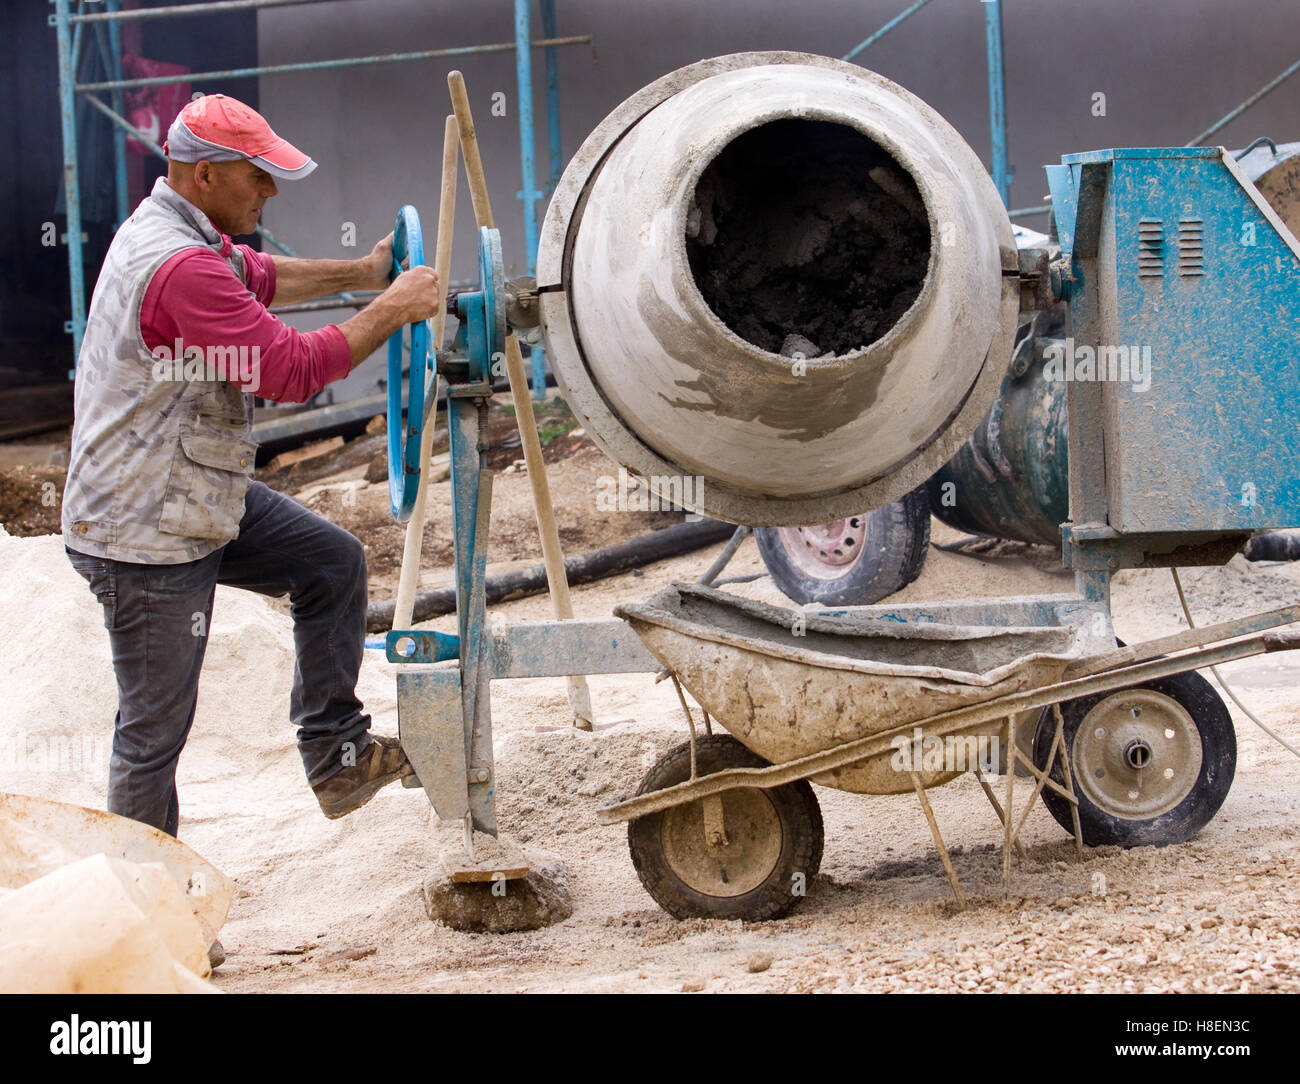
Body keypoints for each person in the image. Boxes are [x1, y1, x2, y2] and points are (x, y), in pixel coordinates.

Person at [62, 94, 439, 848]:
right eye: (257, 176)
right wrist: (393, 310)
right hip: (141, 530)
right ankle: (147, 911)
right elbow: (291, 370)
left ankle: (339, 757)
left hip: (190, 491)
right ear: (204, 175)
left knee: (332, 564)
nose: (269, 191)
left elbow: (262, 276)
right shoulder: (176, 266)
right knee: (154, 733)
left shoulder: (183, 230)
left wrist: (365, 274)